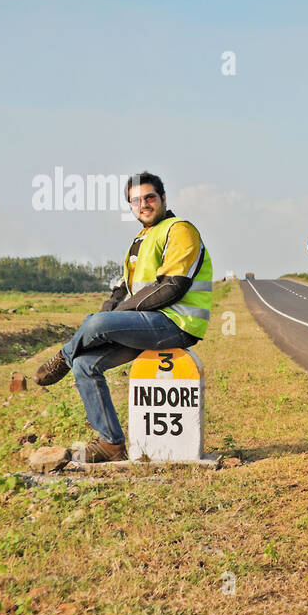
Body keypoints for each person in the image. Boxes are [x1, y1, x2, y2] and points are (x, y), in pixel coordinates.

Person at [34, 172, 213, 462]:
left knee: (97, 324)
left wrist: (109, 322)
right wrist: (112, 318)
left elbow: (173, 287)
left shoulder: (179, 230)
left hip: (176, 324)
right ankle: (111, 445)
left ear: (164, 199)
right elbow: (120, 291)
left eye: (149, 197)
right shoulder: (140, 240)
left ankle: (62, 358)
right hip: (142, 326)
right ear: (130, 206)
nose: (143, 204)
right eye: (135, 200)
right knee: (85, 364)